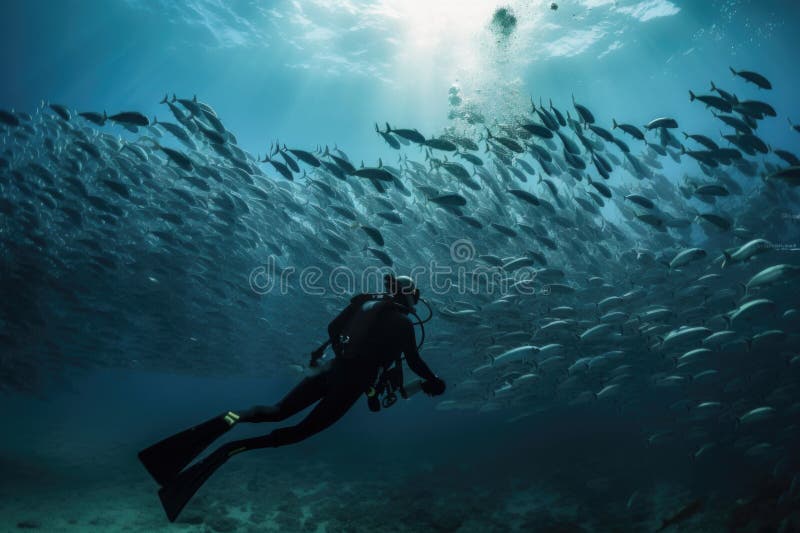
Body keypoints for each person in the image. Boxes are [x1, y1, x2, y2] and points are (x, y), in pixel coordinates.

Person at [139, 274, 446, 522]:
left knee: (276, 410)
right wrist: (433, 381)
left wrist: (342, 360)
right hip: (352, 382)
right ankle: (230, 449)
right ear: (407, 296)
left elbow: (332, 328)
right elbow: (414, 360)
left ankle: (229, 419)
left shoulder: (364, 305)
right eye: (415, 298)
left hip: (331, 369)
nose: (415, 304)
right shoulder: (403, 322)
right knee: (298, 432)